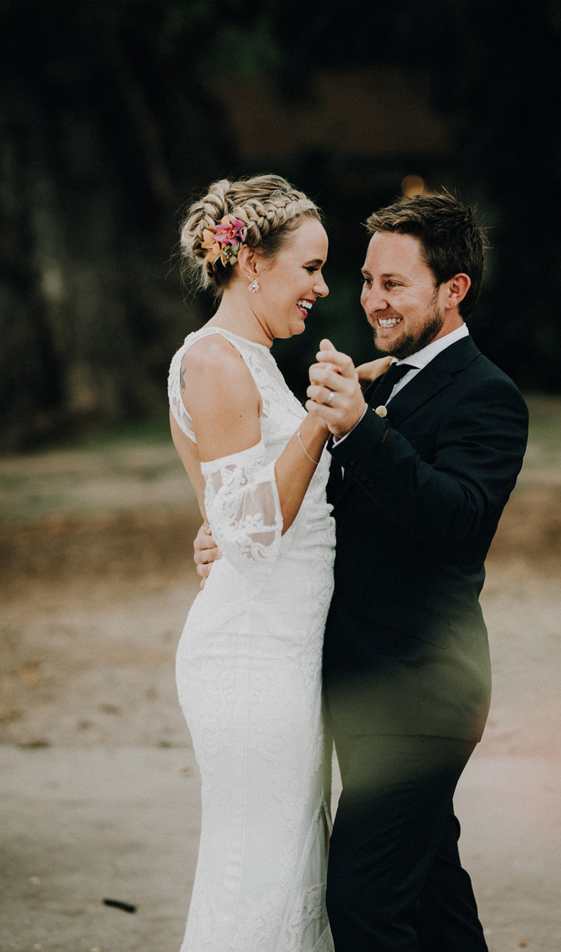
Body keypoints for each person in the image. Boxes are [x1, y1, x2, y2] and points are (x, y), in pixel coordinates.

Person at [197, 190, 529, 951]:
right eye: (368, 280)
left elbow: (460, 524)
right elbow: (317, 516)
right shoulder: (382, 381)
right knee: (432, 893)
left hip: (424, 691)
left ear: (454, 291)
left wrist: (360, 434)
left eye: (395, 284)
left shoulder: (488, 396)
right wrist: (227, 535)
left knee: (364, 902)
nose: (372, 300)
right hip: (360, 686)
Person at [167, 174, 338, 952]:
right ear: (250, 263)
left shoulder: (255, 360)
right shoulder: (213, 360)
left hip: (284, 649)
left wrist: (349, 393)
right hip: (249, 657)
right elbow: (249, 530)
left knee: (293, 870)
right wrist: (320, 424)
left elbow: (224, 507)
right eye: (310, 267)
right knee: (255, 875)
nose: (322, 286)